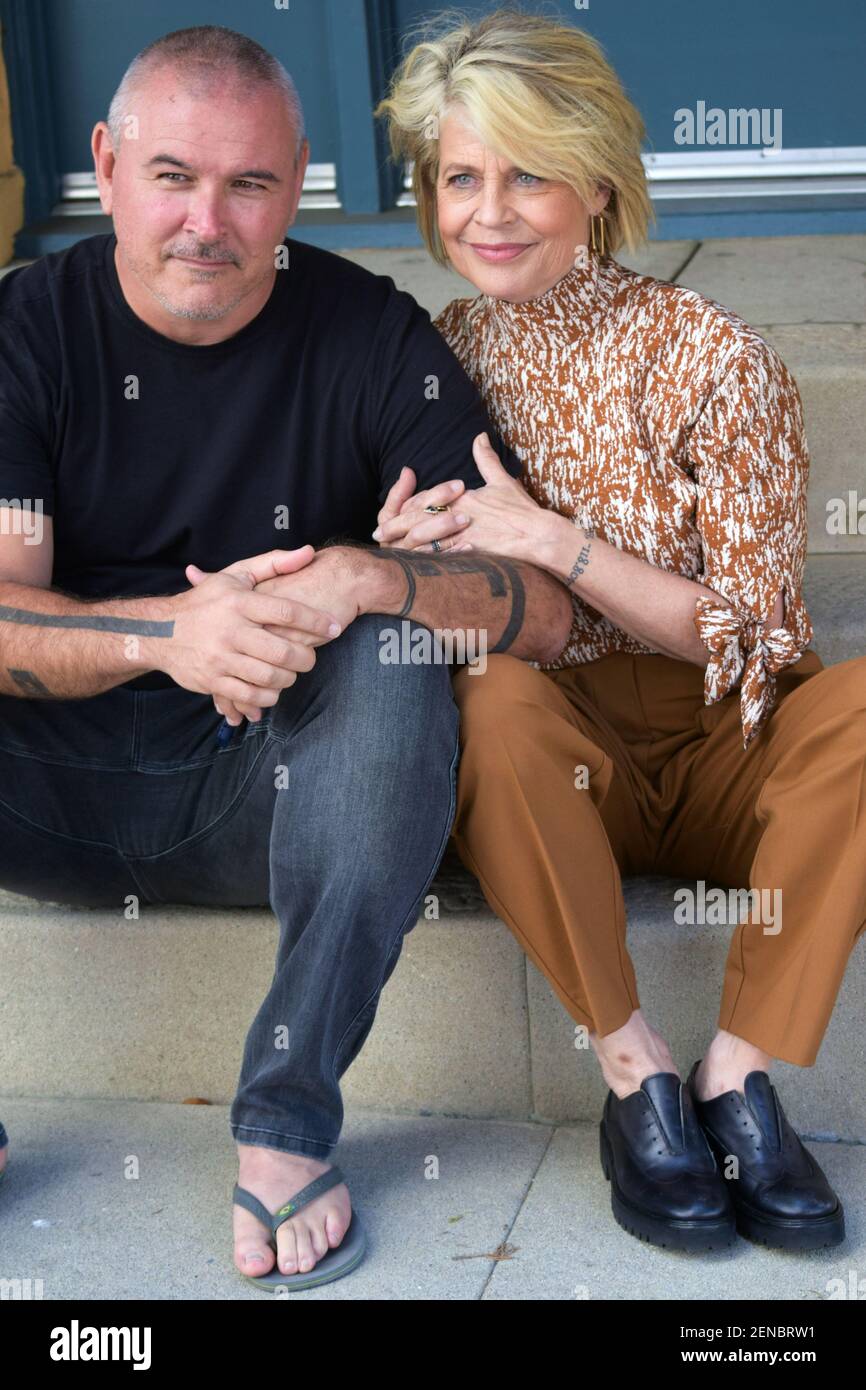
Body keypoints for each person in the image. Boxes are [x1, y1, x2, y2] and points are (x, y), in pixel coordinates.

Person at [0, 24, 574, 1290]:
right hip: (40, 790)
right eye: (172, 177)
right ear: (103, 162)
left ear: (298, 180)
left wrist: (363, 577)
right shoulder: (27, 330)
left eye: (250, 184)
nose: (209, 220)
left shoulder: (369, 337)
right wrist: (174, 634)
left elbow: (541, 610)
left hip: (273, 800)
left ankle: (283, 1120)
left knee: (398, 646)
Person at [375, 7, 865, 1252]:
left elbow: (756, 639)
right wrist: (398, 547)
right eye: (459, 178)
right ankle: (634, 1068)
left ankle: (735, 1076)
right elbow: (436, 598)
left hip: (723, 737)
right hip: (561, 749)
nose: (486, 210)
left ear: (595, 181)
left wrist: (551, 541)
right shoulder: (432, 360)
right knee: (480, 700)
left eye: (525, 173)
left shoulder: (713, 358)